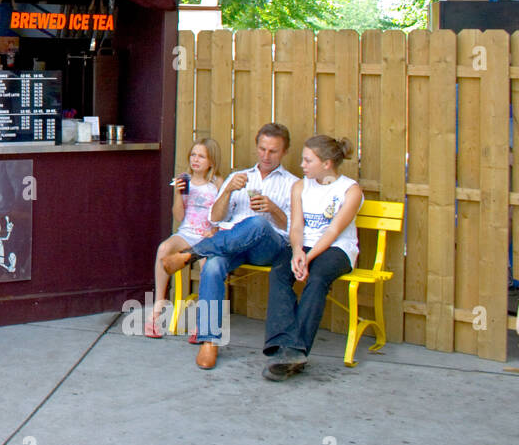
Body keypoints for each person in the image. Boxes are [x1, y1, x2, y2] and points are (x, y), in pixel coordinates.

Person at [162, 123, 297, 370]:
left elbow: (295, 230)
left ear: (284, 152)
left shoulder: (293, 184)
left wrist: (273, 209)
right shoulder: (240, 177)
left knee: (257, 223)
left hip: (270, 247)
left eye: (273, 151)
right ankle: (209, 342)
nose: (266, 156)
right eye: (262, 149)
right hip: (234, 243)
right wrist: (227, 192)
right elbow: (215, 218)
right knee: (213, 267)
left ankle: (192, 253)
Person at [262, 135, 364, 381]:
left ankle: (295, 351)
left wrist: (308, 258)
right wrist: (297, 252)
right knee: (280, 270)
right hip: (304, 246)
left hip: (337, 249)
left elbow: (333, 232)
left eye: (308, 160)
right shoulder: (300, 186)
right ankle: (285, 345)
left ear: (327, 163)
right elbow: (296, 226)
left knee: (317, 278)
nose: (302, 165)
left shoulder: (350, 190)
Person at [145, 138, 222, 337]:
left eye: (202, 156)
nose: (196, 160)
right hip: (187, 233)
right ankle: (158, 307)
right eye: (193, 155)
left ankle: (202, 320)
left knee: (207, 264)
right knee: (163, 249)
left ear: (211, 161)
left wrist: (215, 231)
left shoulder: (217, 183)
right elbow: (179, 217)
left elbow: (224, 215)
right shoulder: (184, 179)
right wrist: (179, 194)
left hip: (206, 236)